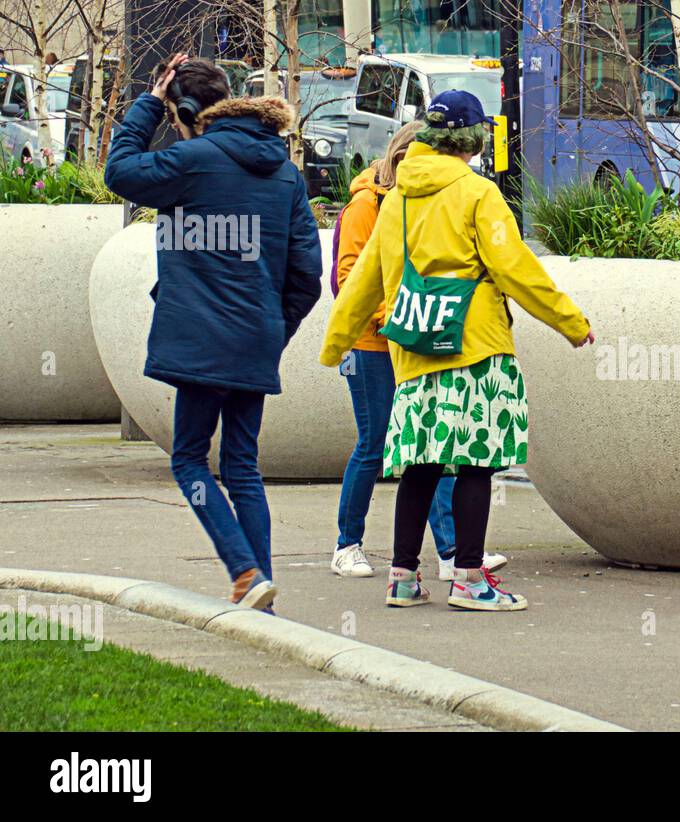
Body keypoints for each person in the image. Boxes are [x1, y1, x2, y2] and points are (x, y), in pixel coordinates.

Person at [320, 90, 593, 612]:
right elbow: (515, 268)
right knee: (476, 462)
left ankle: (402, 578)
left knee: (420, 464)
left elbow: (363, 284)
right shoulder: (478, 192)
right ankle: (469, 579)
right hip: (475, 347)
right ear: (471, 139)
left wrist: (335, 346)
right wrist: (570, 322)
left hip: (414, 347)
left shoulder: (396, 197)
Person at [104, 54, 322, 611]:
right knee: (243, 465)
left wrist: (148, 102)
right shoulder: (285, 173)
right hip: (255, 341)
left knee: (189, 460)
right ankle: (261, 586)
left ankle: (246, 571)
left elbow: (120, 171)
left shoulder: (193, 159)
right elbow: (306, 277)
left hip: (201, 342)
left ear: (185, 109)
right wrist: (273, 331)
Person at [330, 119, 506, 579]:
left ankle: (450, 552)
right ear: (403, 157)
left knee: (435, 445)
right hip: (375, 344)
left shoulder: (420, 199)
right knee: (374, 446)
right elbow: (348, 279)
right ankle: (347, 544)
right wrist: (394, 317)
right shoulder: (366, 205)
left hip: (419, 339)